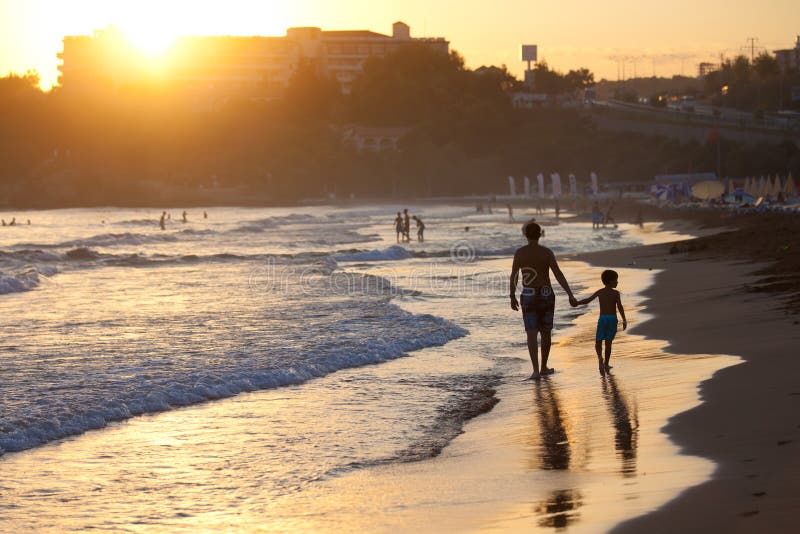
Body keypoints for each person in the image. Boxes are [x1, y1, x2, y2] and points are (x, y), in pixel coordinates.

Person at [510, 221, 578, 380]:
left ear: (525, 235)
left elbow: (514, 275)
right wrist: (570, 294)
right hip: (546, 294)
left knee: (531, 333)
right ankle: (544, 367)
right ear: (540, 235)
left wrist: (512, 296)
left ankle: (535, 370)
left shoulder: (519, 253)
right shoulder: (546, 252)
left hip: (528, 294)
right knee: (546, 332)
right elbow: (558, 274)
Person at [573, 269, 628, 376]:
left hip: (603, 319)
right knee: (608, 343)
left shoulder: (600, 292)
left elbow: (588, 300)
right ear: (610, 281)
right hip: (612, 319)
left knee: (598, 341)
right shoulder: (616, 293)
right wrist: (624, 319)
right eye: (616, 280)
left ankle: (600, 357)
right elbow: (619, 307)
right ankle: (606, 364)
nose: (617, 282)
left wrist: (577, 303)